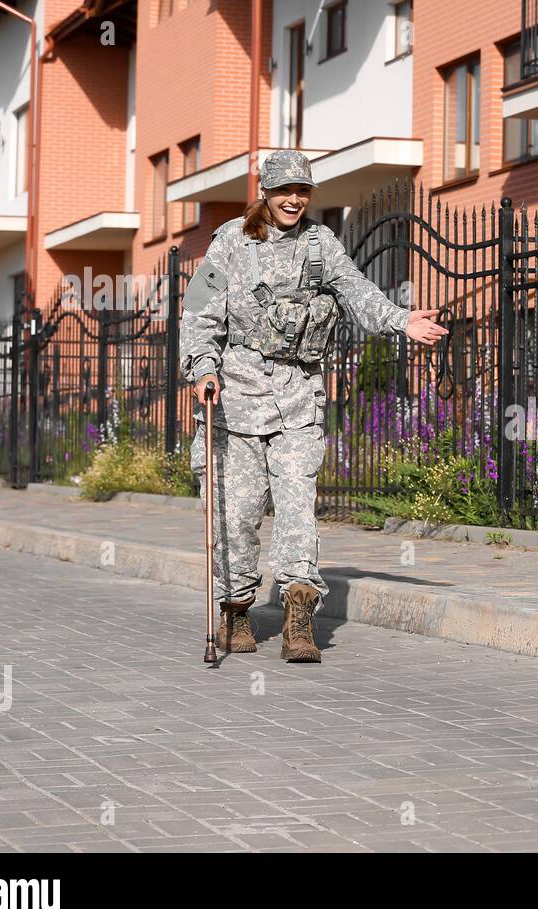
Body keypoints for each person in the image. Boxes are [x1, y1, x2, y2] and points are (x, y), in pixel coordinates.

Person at [179, 149, 446, 663]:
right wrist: (204, 368)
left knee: (298, 508)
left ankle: (299, 616)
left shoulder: (321, 245)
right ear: (267, 193)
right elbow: (198, 316)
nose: (295, 200)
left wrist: (400, 320)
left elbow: (356, 290)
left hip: (299, 396)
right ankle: (234, 609)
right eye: (284, 191)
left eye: (302, 191)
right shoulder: (230, 243)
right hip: (236, 399)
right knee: (237, 514)